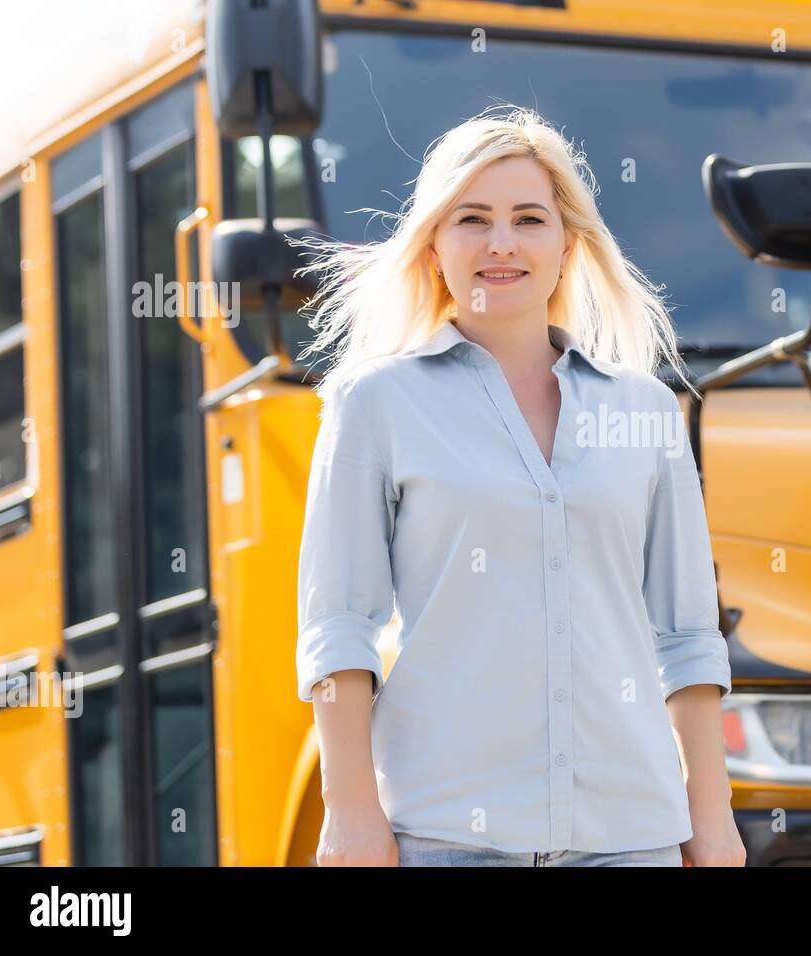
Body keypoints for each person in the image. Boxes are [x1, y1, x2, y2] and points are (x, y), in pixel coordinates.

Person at [293, 104, 743, 867]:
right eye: (472, 218)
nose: (501, 242)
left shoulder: (645, 410)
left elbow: (689, 635)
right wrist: (350, 814)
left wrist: (712, 812)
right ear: (434, 246)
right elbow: (339, 628)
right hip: (447, 837)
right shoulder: (373, 404)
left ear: (567, 245)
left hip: (631, 839)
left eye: (528, 218)